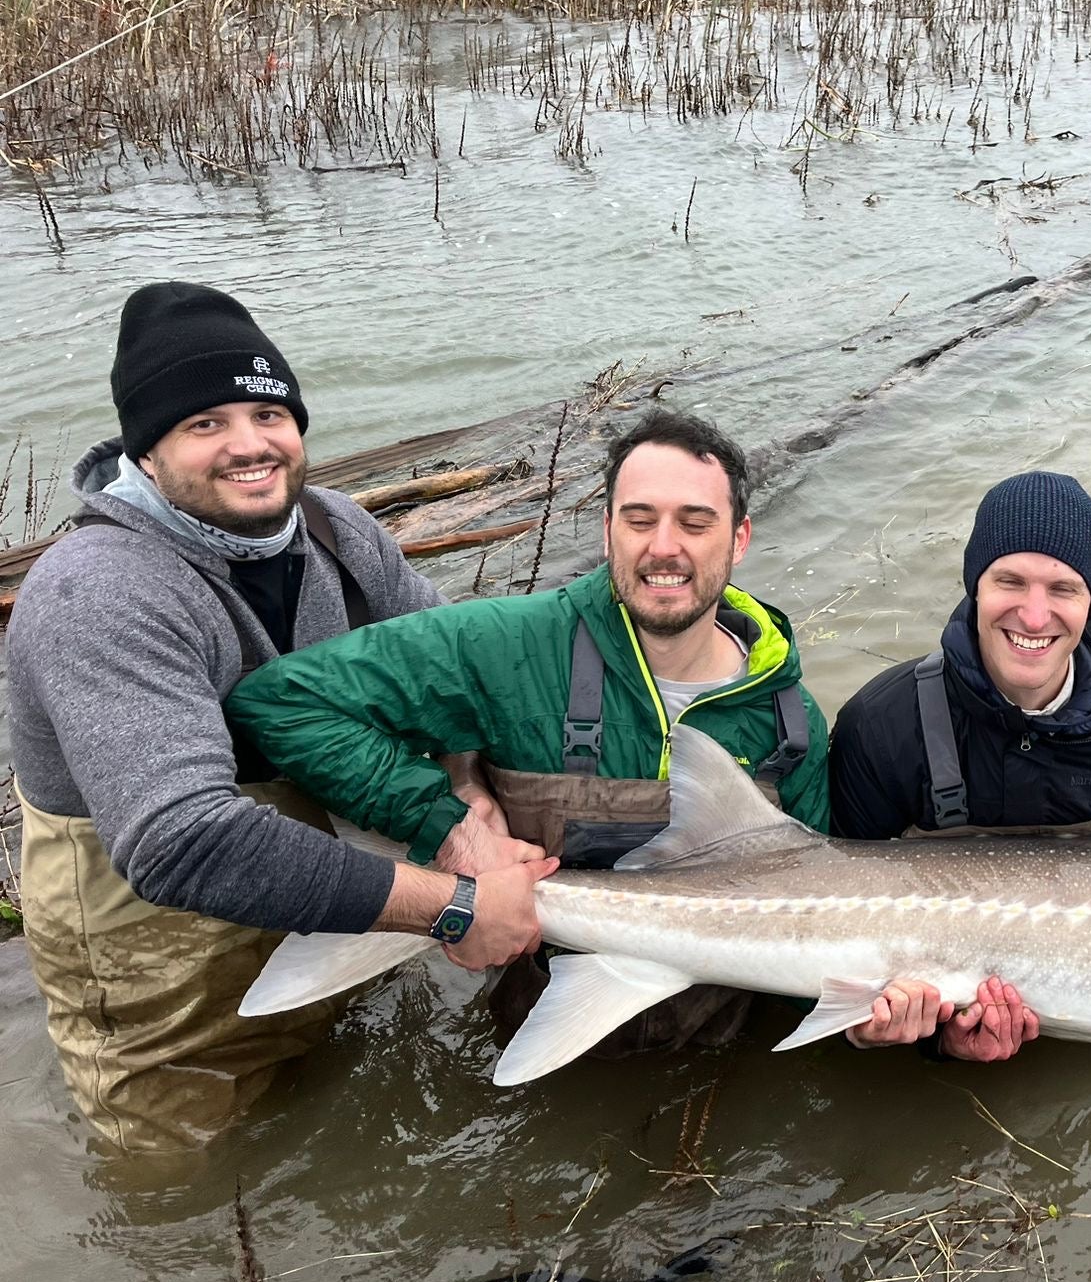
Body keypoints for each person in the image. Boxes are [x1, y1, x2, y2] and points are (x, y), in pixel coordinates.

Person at [5, 282, 552, 1152]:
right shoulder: (97, 592)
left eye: (267, 411)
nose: (249, 445)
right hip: (168, 991)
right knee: (181, 1200)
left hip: (333, 918)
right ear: (147, 453)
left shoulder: (334, 529)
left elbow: (456, 678)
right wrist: (454, 907)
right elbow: (181, 841)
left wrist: (467, 802)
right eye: (205, 424)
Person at [227, 409, 829, 1057]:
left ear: (738, 539)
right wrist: (448, 827)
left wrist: (876, 1021)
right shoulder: (509, 644)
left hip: (718, 1036)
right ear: (606, 532)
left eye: (695, 521)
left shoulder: (791, 720)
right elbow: (282, 702)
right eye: (639, 518)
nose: (664, 546)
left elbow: (816, 918)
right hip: (539, 1001)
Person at [828, 471, 1091, 1063]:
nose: (1035, 616)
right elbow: (839, 925)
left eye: (1063, 589)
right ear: (975, 587)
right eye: (1010, 581)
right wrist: (926, 1041)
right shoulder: (881, 724)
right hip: (944, 1016)